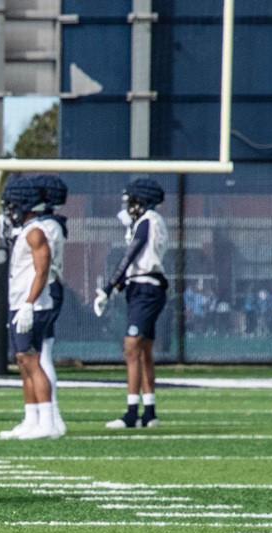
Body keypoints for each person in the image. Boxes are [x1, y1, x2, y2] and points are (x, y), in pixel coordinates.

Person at [93, 178, 169, 429]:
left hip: (145, 289)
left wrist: (108, 287)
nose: (129, 207)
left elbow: (131, 255)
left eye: (133, 202)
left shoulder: (147, 221)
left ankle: (131, 412)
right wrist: (117, 287)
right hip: (144, 286)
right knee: (143, 349)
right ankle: (149, 412)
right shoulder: (151, 221)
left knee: (131, 346)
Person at [0, 177, 61, 441]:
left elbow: (42, 270)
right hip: (20, 304)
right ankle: (31, 419)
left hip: (32, 305)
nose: (9, 211)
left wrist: (29, 304)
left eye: (12, 206)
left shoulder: (36, 232)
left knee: (32, 361)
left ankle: (47, 422)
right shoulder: (24, 231)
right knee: (23, 361)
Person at [32, 174, 68, 435]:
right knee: (38, 353)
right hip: (47, 286)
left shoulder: (48, 227)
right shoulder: (47, 225)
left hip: (48, 287)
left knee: (42, 353)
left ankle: (52, 415)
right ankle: (42, 416)